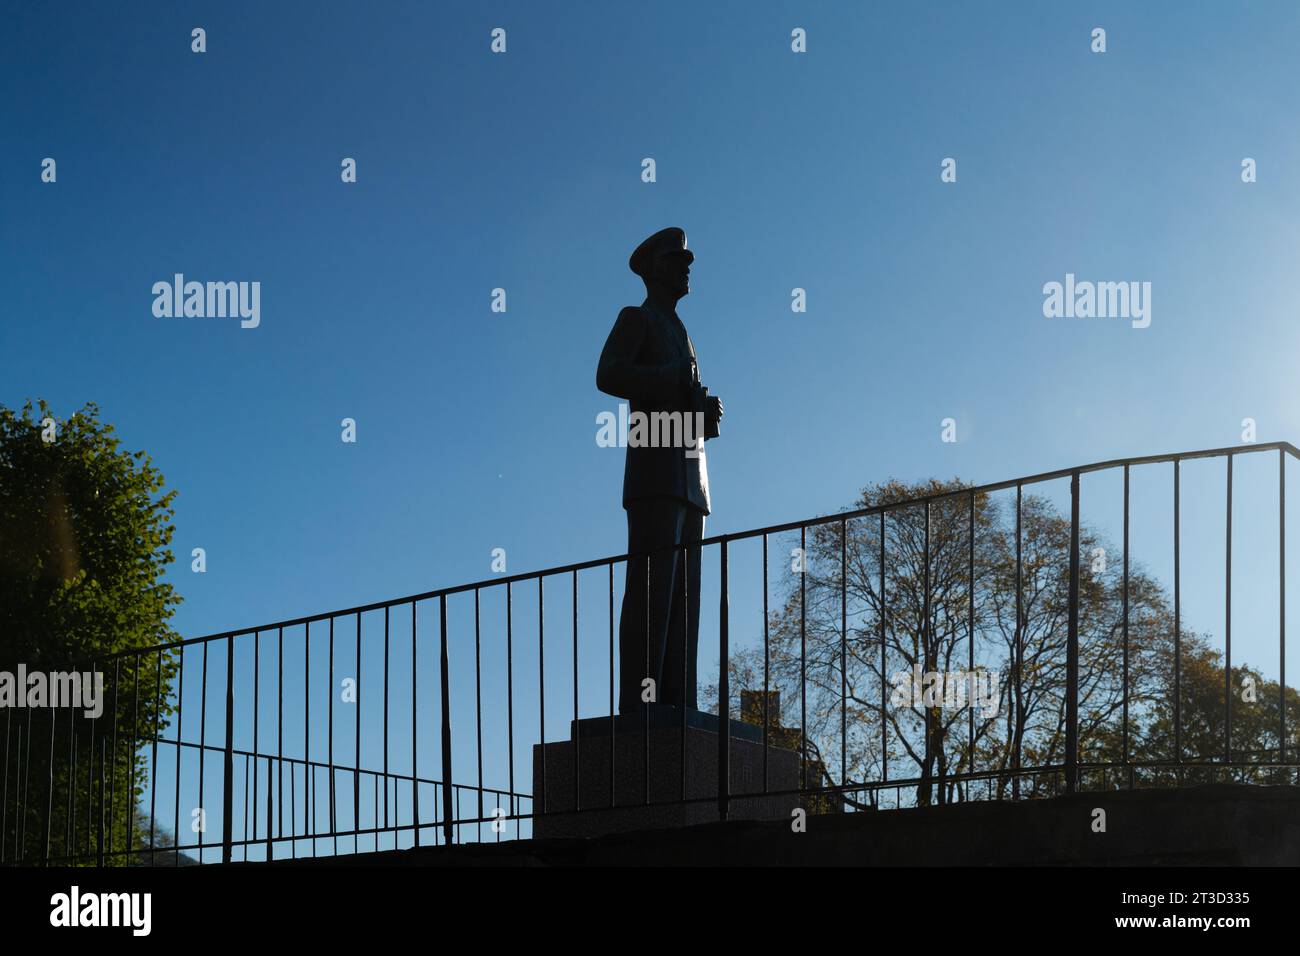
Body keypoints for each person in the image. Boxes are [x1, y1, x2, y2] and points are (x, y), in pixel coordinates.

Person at [596, 227, 723, 714]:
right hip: (654, 475)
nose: (687, 267)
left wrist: (702, 412)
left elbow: (674, 397)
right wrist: (669, 379)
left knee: (686, 600)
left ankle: (678, 701)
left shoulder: (683, 332)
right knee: (652, 593)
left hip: (691, 478)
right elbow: (608, 374)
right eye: (678, 260)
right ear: (653, 270)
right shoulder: (638, 319)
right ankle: (642, 705)